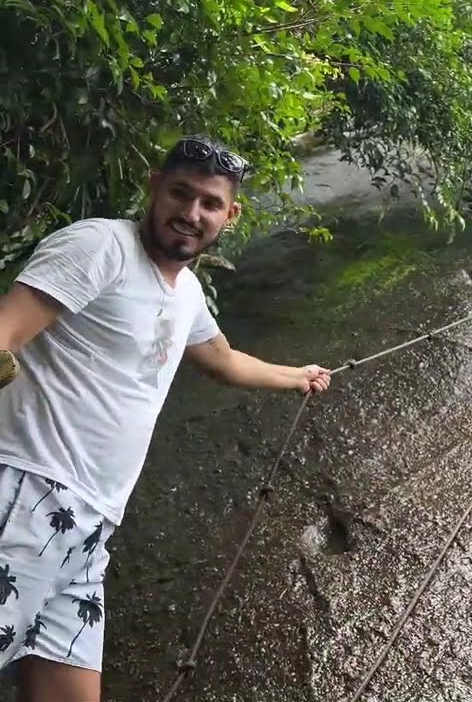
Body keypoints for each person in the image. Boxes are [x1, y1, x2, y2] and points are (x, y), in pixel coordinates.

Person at [0, 135, 332, 701]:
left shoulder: (188, 293)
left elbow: (223, 360)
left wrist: (298, 376)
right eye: (180, 193)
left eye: (209, 203)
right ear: (154, 188)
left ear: (230, 215)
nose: (191, 213)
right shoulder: (101, 246)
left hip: (92, 528)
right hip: (29, 495)